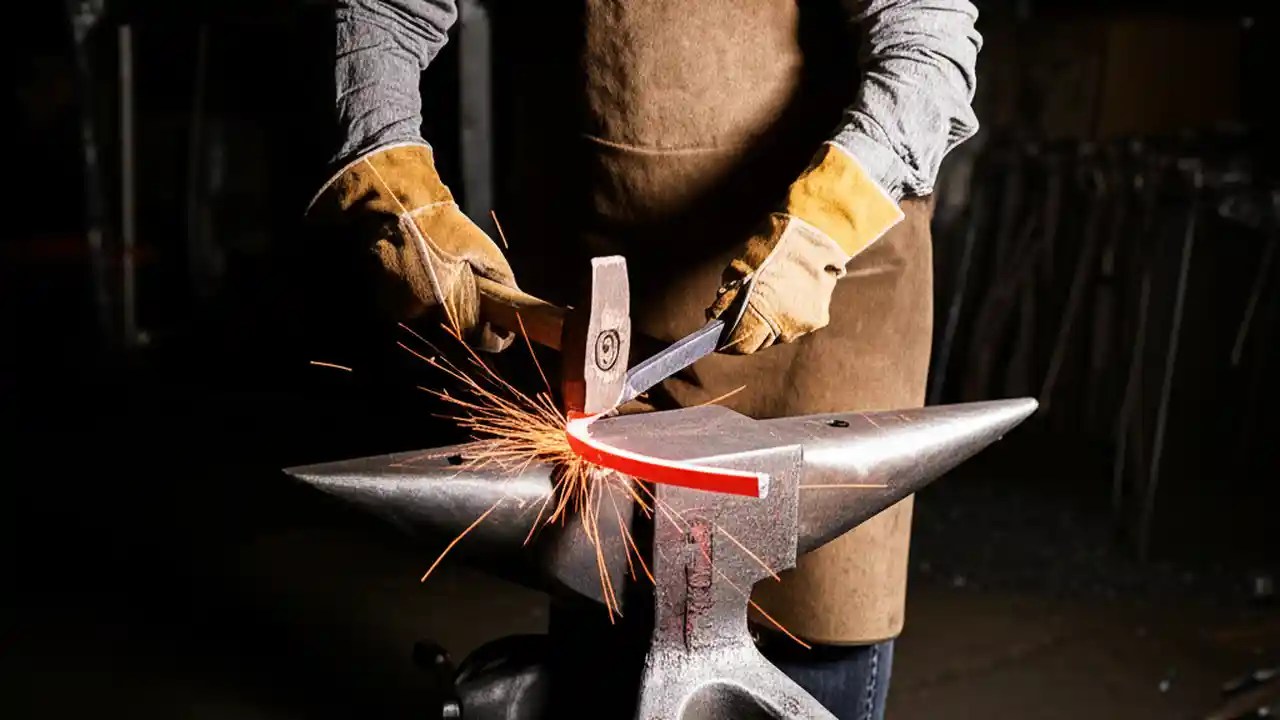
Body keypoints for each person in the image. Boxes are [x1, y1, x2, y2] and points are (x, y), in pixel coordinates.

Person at [307, 1, 981, 717]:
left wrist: (832, 217)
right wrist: (383, 165)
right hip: (608, 281)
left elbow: (928, 45)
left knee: (808, 654)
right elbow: (385, 13)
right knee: (606, 625)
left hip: (823, 288)